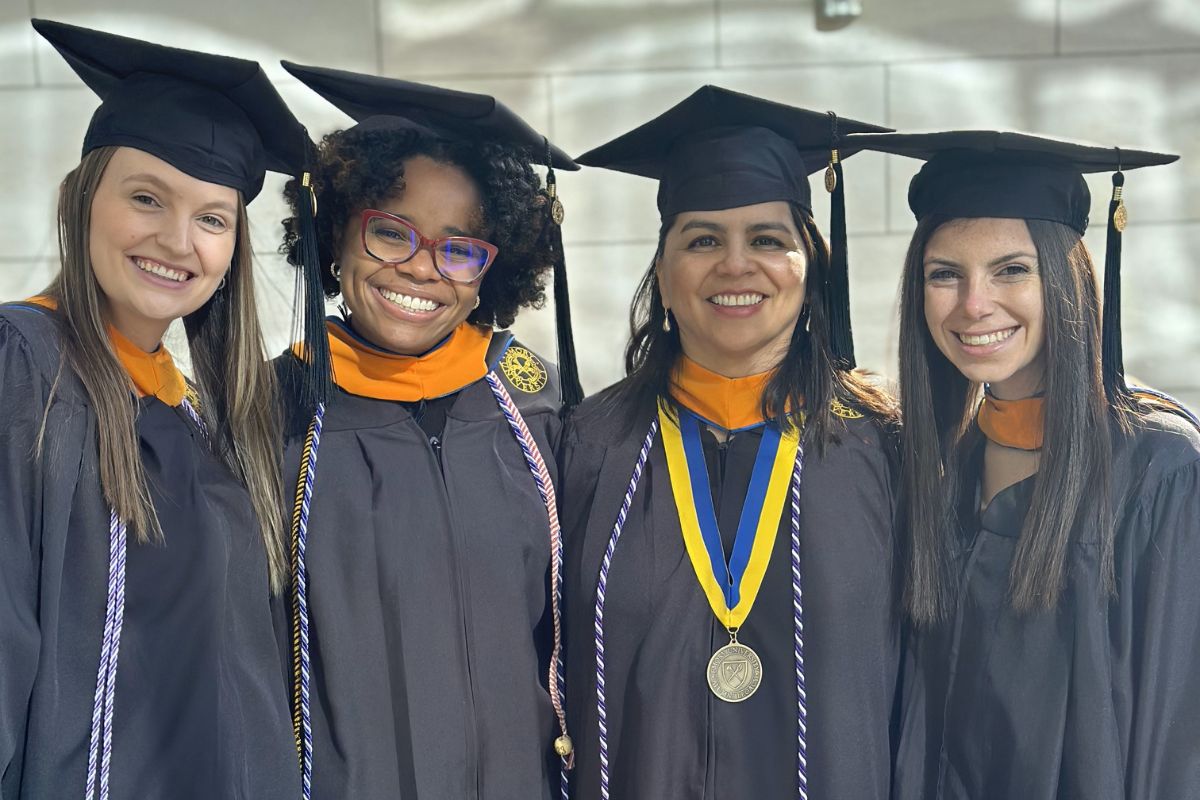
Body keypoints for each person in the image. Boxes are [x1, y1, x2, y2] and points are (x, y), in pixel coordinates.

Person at [560, 85, 902, 800]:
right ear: (663, 271)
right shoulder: (588, 447)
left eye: (768, 240)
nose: (736, 265)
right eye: (703, 239)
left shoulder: (886, 449)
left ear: (810, 270)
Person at [0, 19, 307, 799]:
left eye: (212, 218)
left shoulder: (208, 417)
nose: (177, 241)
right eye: (146, 198)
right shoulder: (22, 366)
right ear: (82, 199)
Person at [852, 129, 1200, 799]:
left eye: (1012, 269)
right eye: (944, 274)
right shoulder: (944, 470)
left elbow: (1179, 747)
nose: (974, 305)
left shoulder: (1161, 470)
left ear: (1066, 281)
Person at [272, 62, 581, 799]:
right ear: (336, 235)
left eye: (460, 247)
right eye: (390, 231)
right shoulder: (267, 414)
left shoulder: (535, 406)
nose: (421, 270)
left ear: (489, 271)